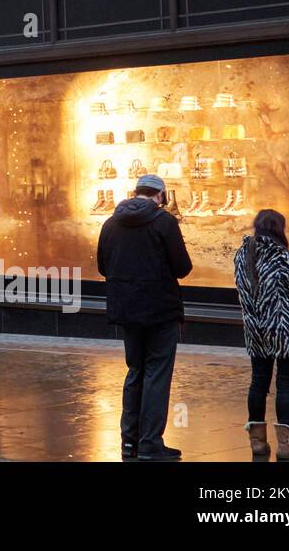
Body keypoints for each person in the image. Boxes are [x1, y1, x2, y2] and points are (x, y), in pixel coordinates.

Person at [97, 173, 193, 461]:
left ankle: (130, 442)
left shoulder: (110, 223)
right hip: (160, 310)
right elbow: (182, 268)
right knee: (157, 374)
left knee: (135, 370)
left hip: (126, 310)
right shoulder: (165, 223)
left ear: (135, 193)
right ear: (160, 196)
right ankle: (150, 442)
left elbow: (103, 266)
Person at [235, 209, 289, 461]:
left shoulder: (241, 255)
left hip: (255, 330)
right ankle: (286, 444)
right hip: (283, 330)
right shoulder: (280, 256)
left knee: (258, 381)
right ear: (278, 229)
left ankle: (257, 443)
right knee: (285, 384)